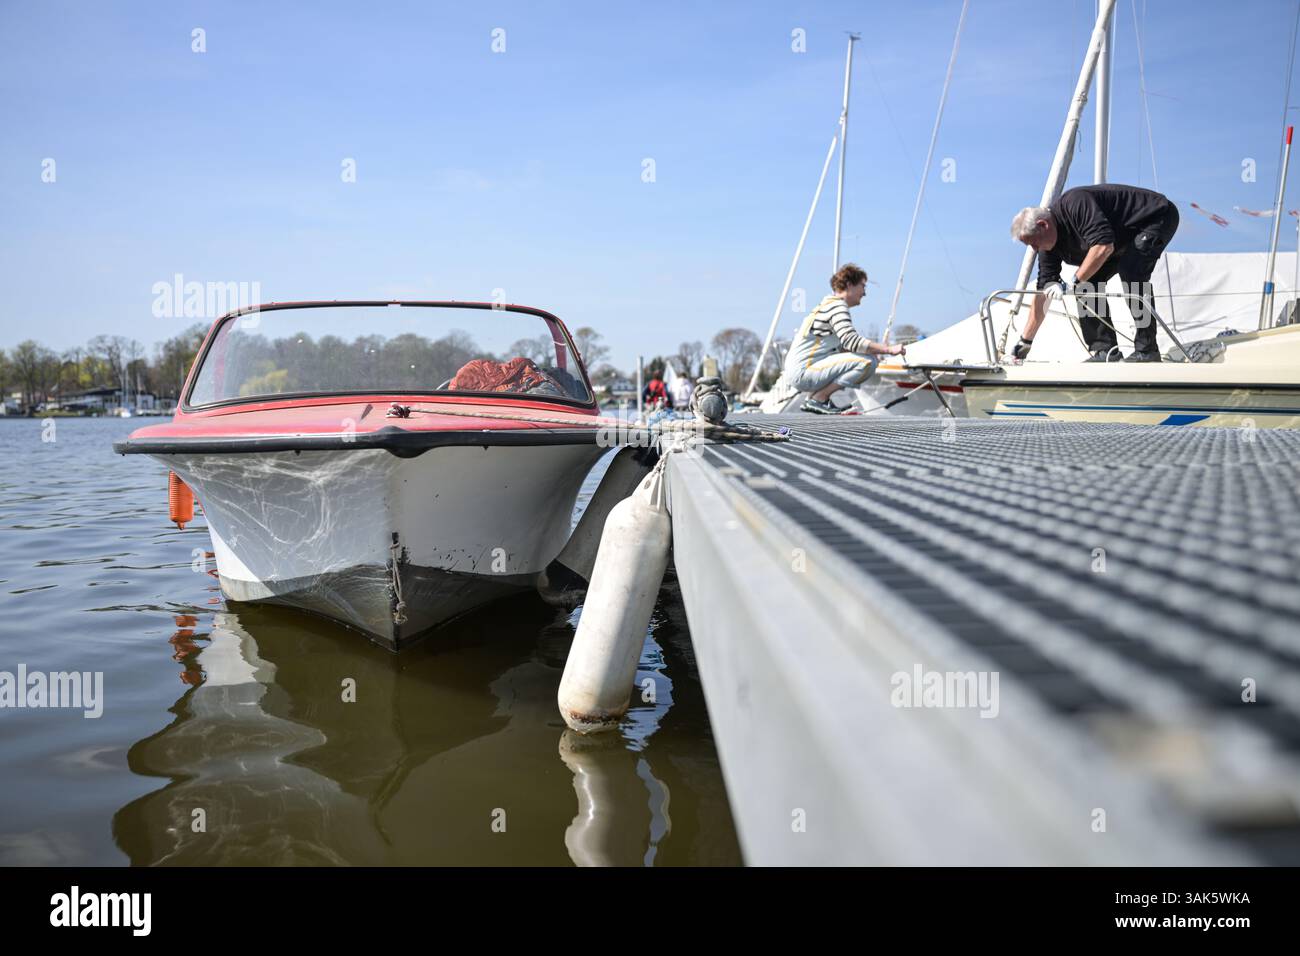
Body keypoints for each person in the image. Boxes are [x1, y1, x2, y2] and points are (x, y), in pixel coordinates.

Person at [1010, 184, 1180, 363]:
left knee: (1132, 272)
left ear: (1043, 225)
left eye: (1033, 243)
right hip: (1120, 238)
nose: (1034, 249)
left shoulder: (1075, 204)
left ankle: (1148, 350)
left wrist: (1075, 281)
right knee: (1087, 284)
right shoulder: (1047, 247)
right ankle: (1105, 351)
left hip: (1156, 217)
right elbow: (1043, 293)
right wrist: (1026, 341)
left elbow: (1103, 246)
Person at [784, 263, 905, 414]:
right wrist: (887, 349)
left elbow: (843, 346)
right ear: (849, 285)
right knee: (868, 362)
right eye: (863, 286)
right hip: (803, 373)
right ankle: (819, 398)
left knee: (865, 357)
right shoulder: (837, 306)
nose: (864, 293)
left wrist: (871, 349)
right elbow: (851, 341)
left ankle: (817, 399)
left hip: (799, 372)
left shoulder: (827, 305)